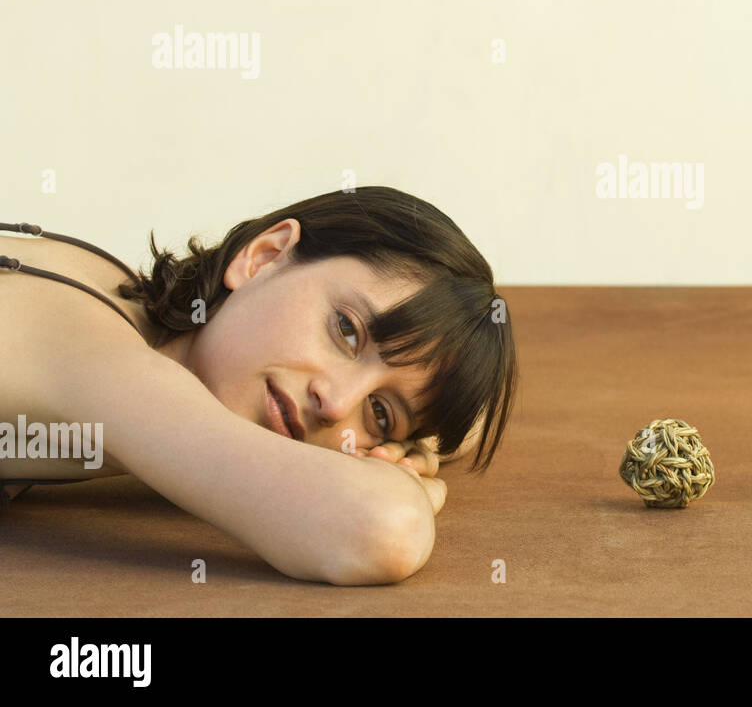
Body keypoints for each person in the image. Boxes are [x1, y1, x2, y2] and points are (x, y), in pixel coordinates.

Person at [0, 186, 519, 585]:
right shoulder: (98, 354)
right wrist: (409, 484)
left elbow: (465, 431)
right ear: (265, 256)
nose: (335, 404)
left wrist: (412, 444)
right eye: (345, 330)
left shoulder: (121, 293)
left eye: (378, 413)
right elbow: (381, 530)